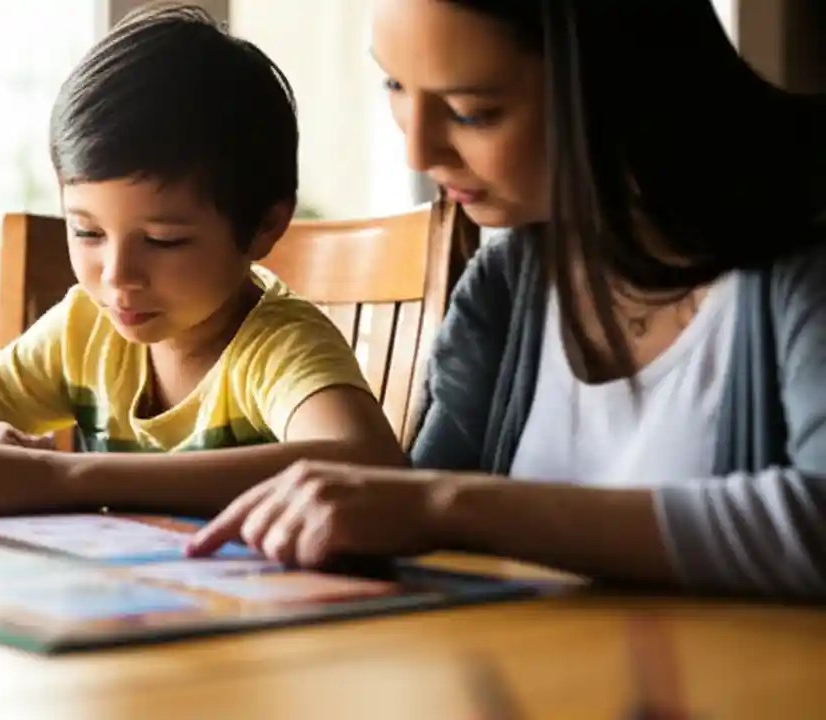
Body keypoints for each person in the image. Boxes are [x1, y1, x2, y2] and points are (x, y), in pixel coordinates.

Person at [189, 0, 826, 599]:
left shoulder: (800, 250)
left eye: (471, 112)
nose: (419, 150)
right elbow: (410, 521)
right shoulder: (506, 283)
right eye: (395, 86)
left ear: (615, 84)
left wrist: (449, 507)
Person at [0, 4, 402, 520]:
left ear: (264, 227)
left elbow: (367, 465)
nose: (117, 276)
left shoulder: (277, 345)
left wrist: (65, 478)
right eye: (87, 232)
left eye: (163, 240)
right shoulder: (83, 331)